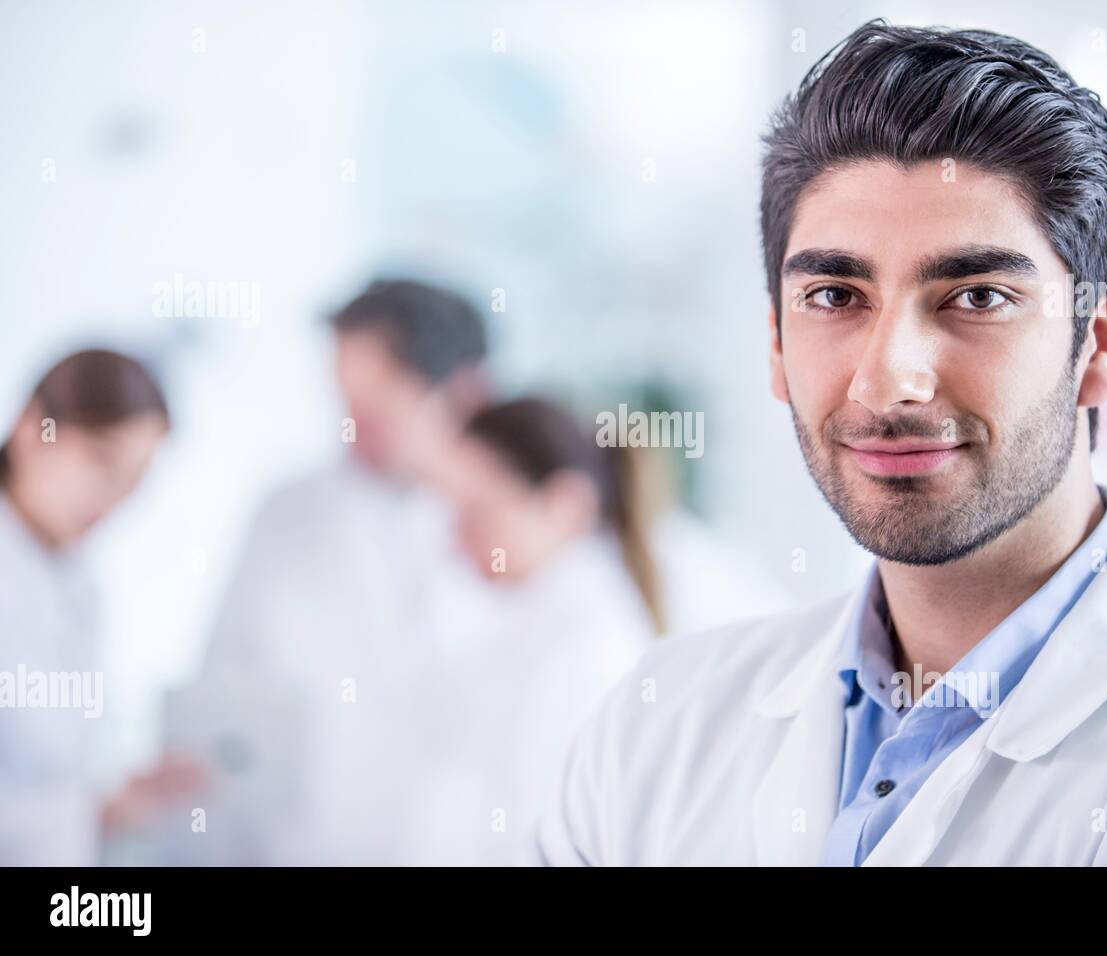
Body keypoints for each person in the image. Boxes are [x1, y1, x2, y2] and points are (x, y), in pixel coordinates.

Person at [536, 21, 1107, 866]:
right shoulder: (653, 727)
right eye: (834, 294)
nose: (886, 381)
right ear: (776, 346)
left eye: (976, 297)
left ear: (1105, 341)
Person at [171, 278, 490, 865]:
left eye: (380, 410)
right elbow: (216, 711)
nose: (352, 430)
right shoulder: (287, 513)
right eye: (346, 405)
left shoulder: (506, 531)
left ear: (466, 393)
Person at [406, 397, 654, 864]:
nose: (455, 538)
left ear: (565, 504)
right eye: (452, 511)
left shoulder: (587, 645)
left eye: (477, 511)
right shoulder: (527, 622)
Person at [0, 349, 201, 865]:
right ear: (31, 428)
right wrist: (77, 815)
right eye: (101, 459)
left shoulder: (81, 586)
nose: (114, 497)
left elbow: (54, 775)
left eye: (135, 479)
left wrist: (113, 802)